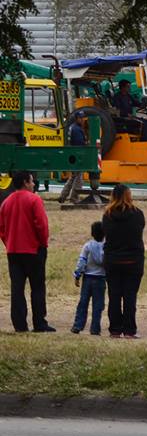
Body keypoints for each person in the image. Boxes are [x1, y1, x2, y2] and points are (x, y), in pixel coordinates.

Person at [0, 171, 54, 332]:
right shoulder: (34, 199)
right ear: (25, 182)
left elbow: (2, 228)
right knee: (37, 287)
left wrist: (8, 242)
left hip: (13, 251)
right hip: (33, 249)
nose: (33, 184)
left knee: (17, 289)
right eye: (31, 181)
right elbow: (41, 225)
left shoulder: (6, 202)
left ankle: (19, 324)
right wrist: (42, 243)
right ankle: (39, 322)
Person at [102, 184, 145, 338]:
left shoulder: (107, 215)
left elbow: (106, 234)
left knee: (114, 295)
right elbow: (140, 231)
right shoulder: (137, 214)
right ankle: (129, 330)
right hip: (133, 260)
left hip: (113, 260)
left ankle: (115, 329)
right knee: (130, 296)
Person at [71, 221, 106, 335]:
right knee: (98, 305)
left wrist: (77, 275)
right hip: (101, 278)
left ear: (92, 233)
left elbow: (82, 262)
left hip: (88, 278)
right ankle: (95, 328)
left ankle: (77, 326)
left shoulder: (87, 246)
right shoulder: (107, 246)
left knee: (83, 303)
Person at [60, 113, 87, 204]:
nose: (82, 120)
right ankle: (74, 198)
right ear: (77, 118)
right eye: (81, 118)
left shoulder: (72, 127)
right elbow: (80, 144)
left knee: (73, 177)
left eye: (83, 118)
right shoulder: (77, 129)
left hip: (72, 155)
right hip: (77, 155)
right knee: (78, 178)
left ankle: (63, 196)